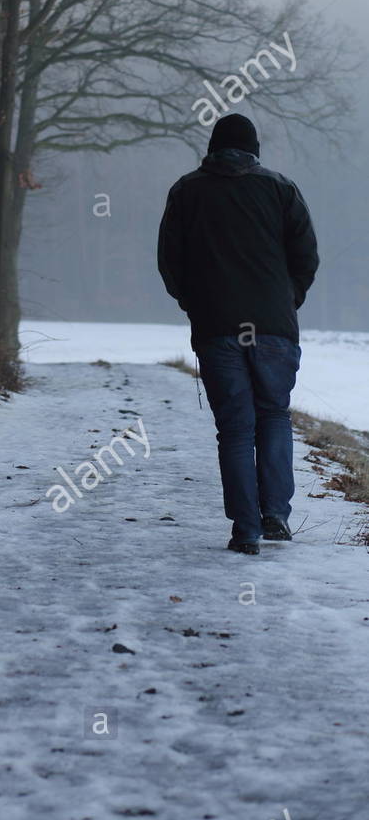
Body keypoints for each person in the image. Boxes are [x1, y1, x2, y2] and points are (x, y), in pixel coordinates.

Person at [157, 114, 319, 555]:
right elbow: (306, 257)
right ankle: (276, 514)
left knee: (234, 429)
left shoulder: (187, 190)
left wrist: (196, 304)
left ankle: (245, 530)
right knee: (274, 416)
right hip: (273, 330)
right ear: (254, 150)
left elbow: (171, 262)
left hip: (217, 328)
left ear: (212, 148)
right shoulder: (282, 189)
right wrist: (287, 302)